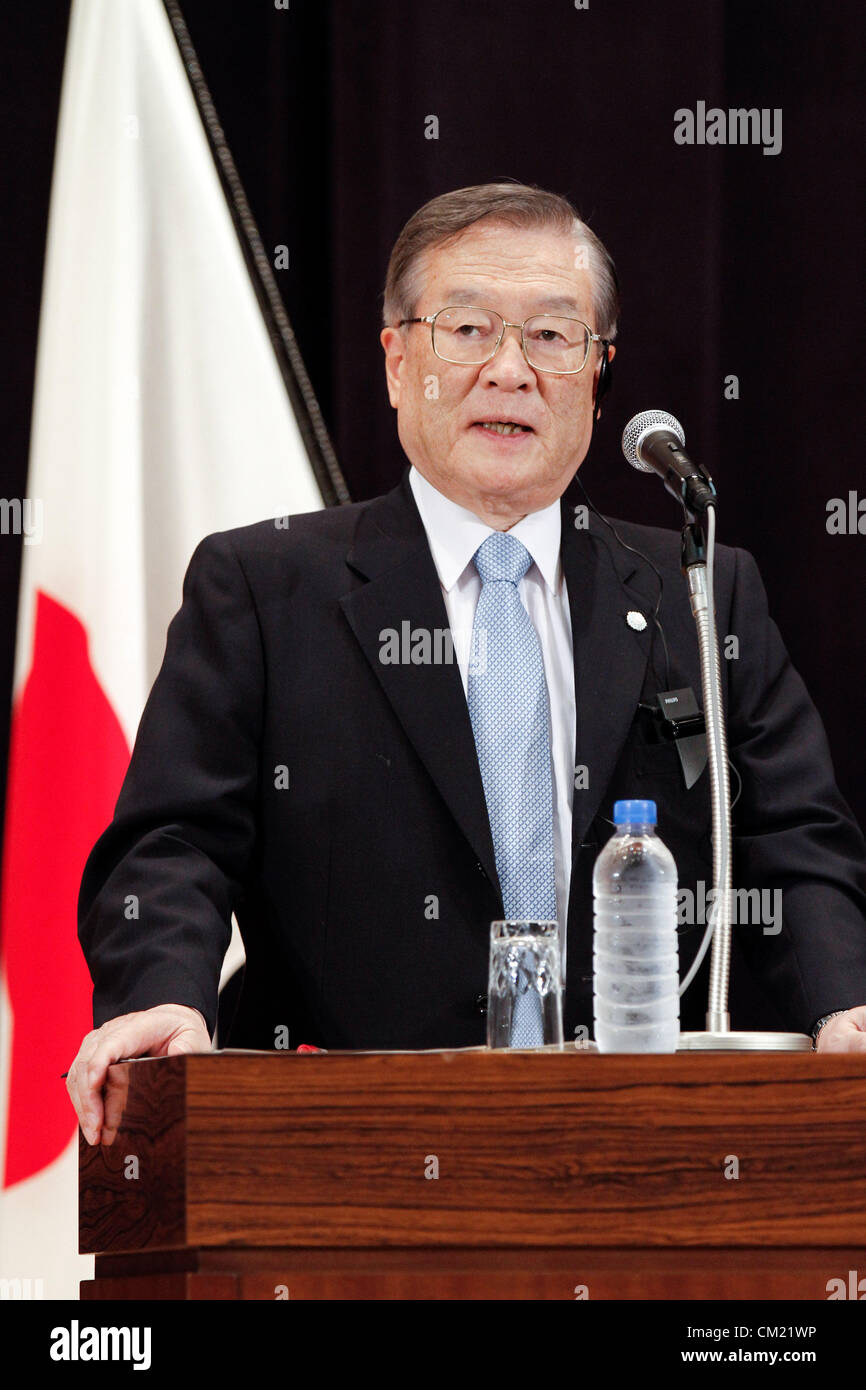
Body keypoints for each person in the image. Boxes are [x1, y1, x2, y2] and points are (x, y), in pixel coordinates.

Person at [66, 182, 866, 1146]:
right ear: (399, 361)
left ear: (598, 374)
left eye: (554, 336)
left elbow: (796, 837)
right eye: (470, 328)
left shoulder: (698, 590)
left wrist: (845, 1007)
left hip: (652, 1143)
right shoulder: (266, 587)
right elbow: (173, 844)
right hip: (345, 1146)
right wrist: (163, 997)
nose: (510, 371)